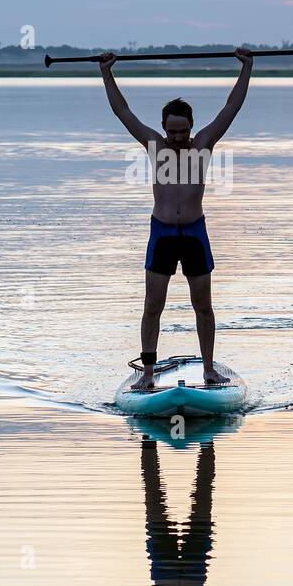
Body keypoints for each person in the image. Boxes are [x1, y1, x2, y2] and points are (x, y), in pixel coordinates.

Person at [99, 47, 254, 390]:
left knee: (204, 306)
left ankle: (210, 370)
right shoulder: (155, 145)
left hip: (195, 233)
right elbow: (123, 112)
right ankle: (149, 375)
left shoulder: (204, 145)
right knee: (153, 306)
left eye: (183, 131)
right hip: (163, 234)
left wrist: (247, 68)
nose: (178, 137)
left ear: (191, 127)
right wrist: (107, 73)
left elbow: (232, 107)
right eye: (173, 131)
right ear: (164, 128)